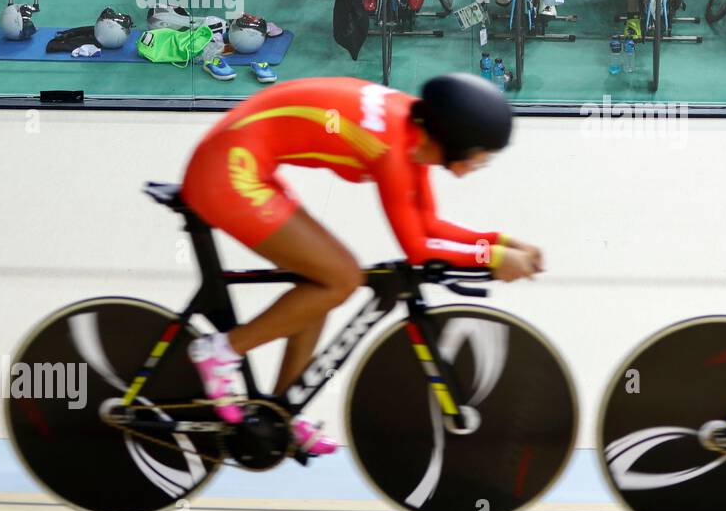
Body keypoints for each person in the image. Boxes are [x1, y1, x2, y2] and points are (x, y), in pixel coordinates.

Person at [180, 74, 543, 454]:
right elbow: (418, 248)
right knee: (341, 278)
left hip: (244, 161)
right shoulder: (391, 148)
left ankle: (280, 412)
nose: (477, 165)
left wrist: (500, 242)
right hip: (226, 171)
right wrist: (493, 258)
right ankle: (221, 351)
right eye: (478, 156)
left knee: (326, 281)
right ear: (453, 140)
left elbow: (429, 224)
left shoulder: (414, 134)